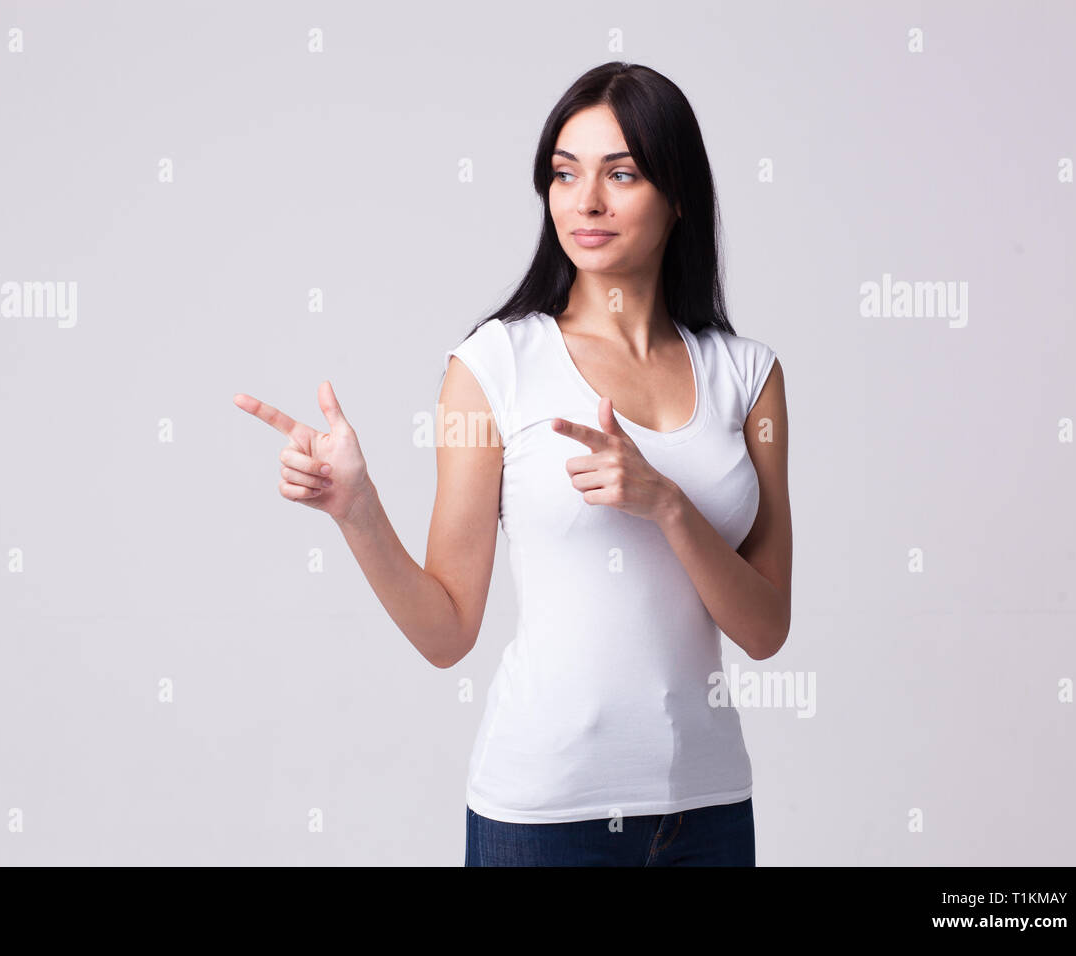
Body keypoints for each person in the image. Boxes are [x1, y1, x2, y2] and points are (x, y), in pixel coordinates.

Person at [233, 61, 791, 867]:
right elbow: (447, 630)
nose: (586, 201)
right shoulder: (493, 365)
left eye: (621, 174)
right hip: (542, 817)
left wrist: (667, 505)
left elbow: (766, 629)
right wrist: (357, 512)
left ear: (677, 197)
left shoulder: (749, 376)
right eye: (565, 174)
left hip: (705, 812)